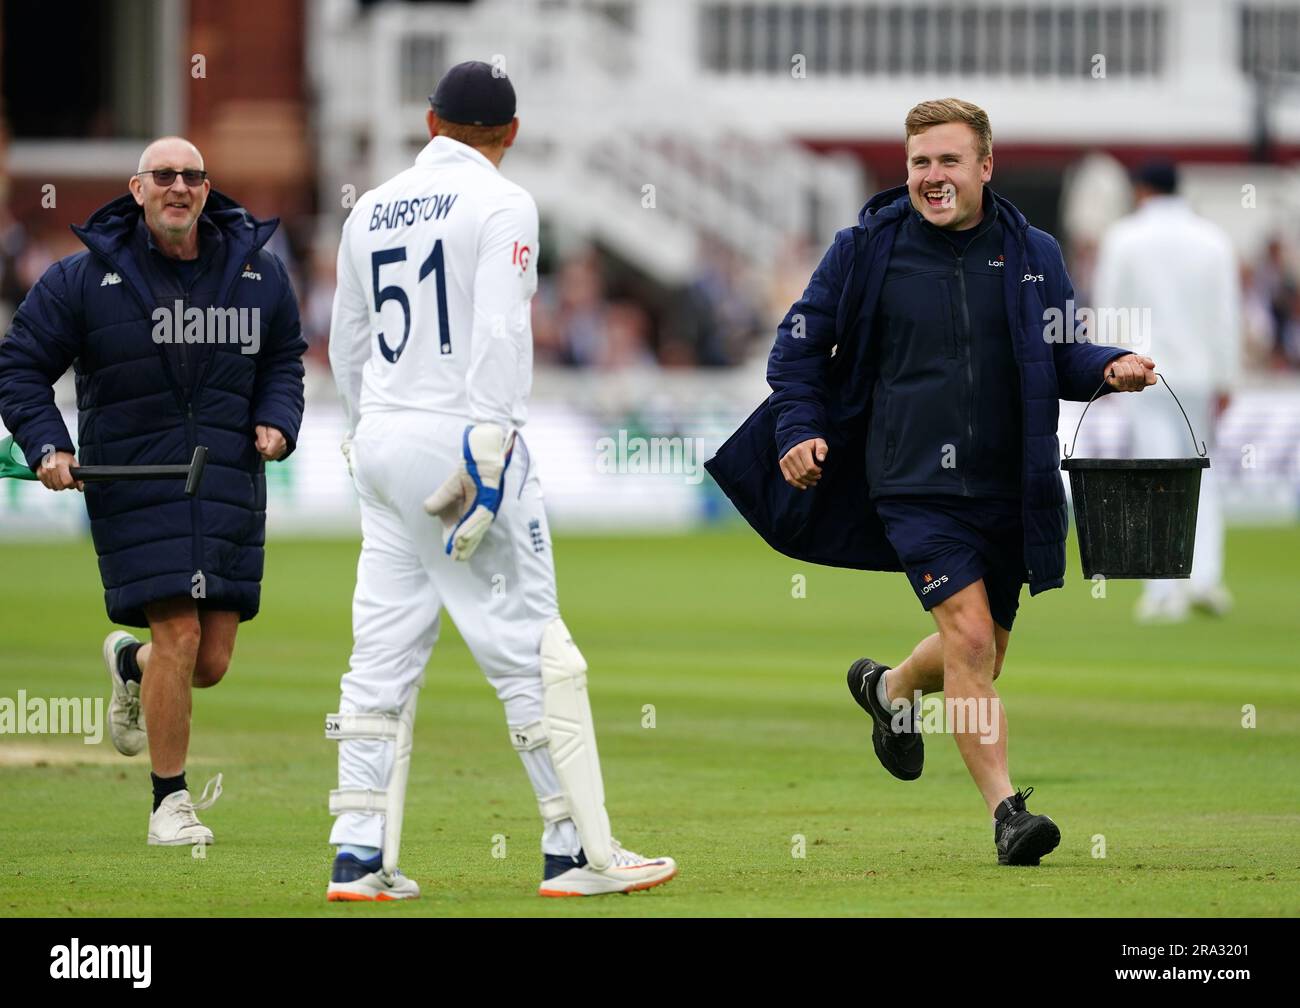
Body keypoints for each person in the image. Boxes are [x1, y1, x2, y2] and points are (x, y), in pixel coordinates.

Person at [706, 98, 1156, 866]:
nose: (933, 176)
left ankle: (888, 691)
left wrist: (1109, 368)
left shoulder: (1034, 251)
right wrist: (799, 428)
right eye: (920, 163)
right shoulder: (867, 248)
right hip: (911, 483)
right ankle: (1009, 815)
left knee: (982, 655)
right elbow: (798, 351)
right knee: (971, 637)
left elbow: (1063, 355)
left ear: (985, 166)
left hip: (1013, 487)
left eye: (949, 161)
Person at [325, 60, 676, 900]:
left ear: (429, 121)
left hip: (381, 438)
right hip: (463, 439)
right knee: (533, 649)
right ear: (510, 133)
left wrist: (364, 435)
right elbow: (499, 333)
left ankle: (357, 854)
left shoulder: (369, 208)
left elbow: (346, 339)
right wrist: (487, 452)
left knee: (378, 659)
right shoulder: (504, 200)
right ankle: (576, 852)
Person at [0, 137, 306, 845]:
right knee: (178, 632)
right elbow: (19, 367)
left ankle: (128, 665)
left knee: (210, 662)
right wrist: (48, 443)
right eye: (163, 176)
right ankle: (170, 803)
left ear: (206, 190)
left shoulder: (260, 276)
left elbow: (284, 359)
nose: (178, 187)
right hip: (136, 481)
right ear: (136, 190)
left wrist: (277, 418)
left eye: (191, 177)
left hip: (227, 480)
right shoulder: (78, 280)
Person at [1092, 160, 1241, 622]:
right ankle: (1204, 579)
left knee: (1152, 475)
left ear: (1142, 190)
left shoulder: (1124, 237)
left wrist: (1105, 366)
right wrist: (1227, 377)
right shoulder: (1212, 238)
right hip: (1198, 374)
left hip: (1141, 371)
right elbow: (1225, 314)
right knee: (1200, 473)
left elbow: (1108, 305)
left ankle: (1162, 590)